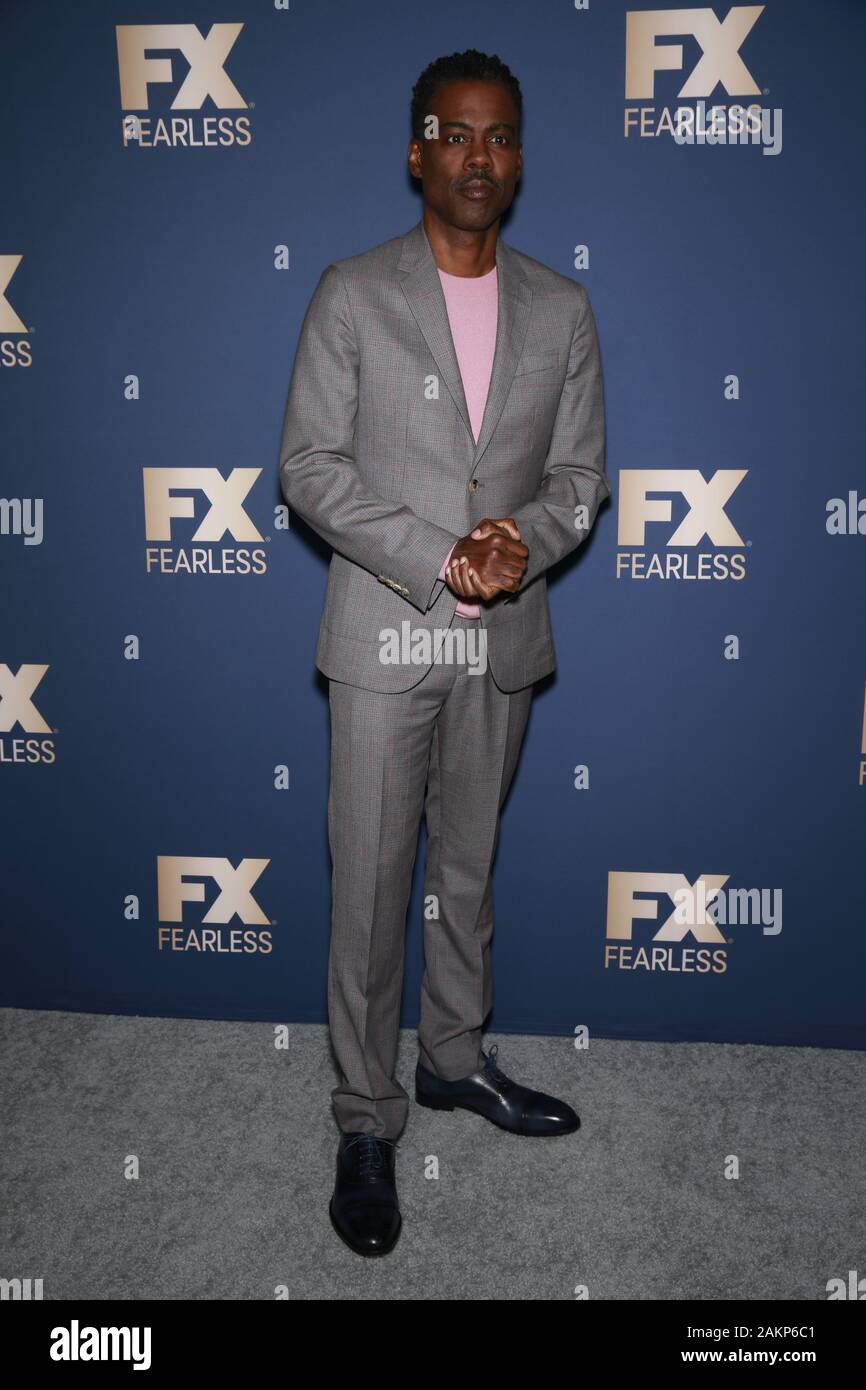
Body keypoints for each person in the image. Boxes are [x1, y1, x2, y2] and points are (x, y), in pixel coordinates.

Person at [278, 48, 609, 1257]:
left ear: (519, 158)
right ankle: (364, 1118)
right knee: (369, 888)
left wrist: (516, 541)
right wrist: (437, 553)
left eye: (500, 136)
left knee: (463, 872)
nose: (479, 155)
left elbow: (578, 482)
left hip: (501, 644)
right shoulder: (351, 292)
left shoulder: (561, 307)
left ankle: (452, 1063)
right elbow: (308, 467)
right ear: (417, 151)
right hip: (382, 632)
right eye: (453, 133)